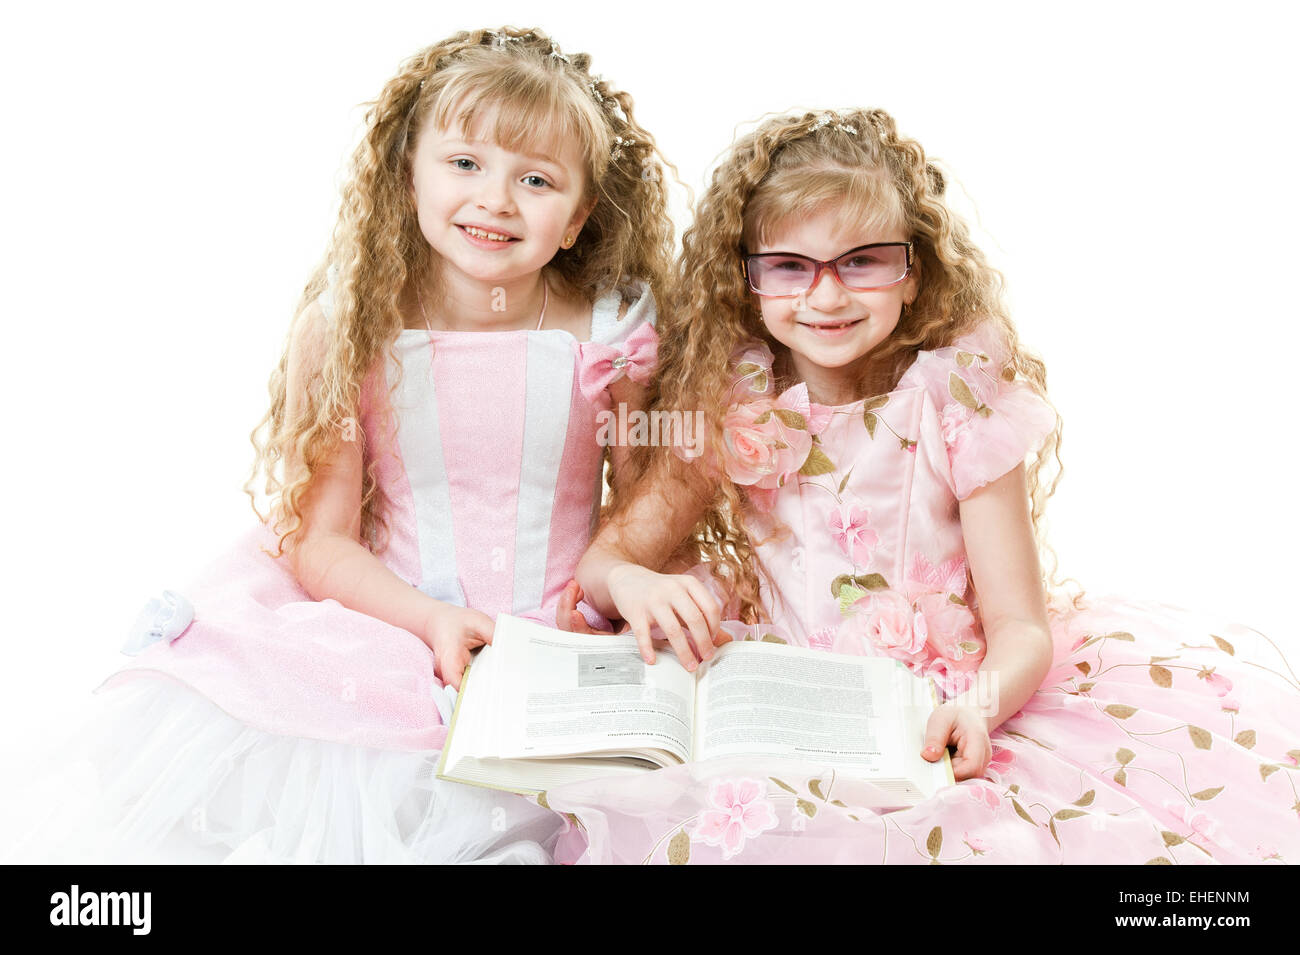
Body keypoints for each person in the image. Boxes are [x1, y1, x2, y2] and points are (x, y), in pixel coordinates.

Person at [547, 108, 1300, 864]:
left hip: (936, 710)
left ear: (914, 271)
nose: (827, 295)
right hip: (779, 713)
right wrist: (635, 583)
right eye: (789, 266)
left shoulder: (956, 399)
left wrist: (975, 706)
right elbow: (605, 565)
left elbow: (1021, 626)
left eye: (862, 260)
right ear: (747, 282)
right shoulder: (734, 399)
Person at [1, 26, 671, 865]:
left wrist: (617, 586)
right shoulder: (349, 328)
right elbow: (321, 542)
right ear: (409, 173)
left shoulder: (614, 330)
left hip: (562, 636)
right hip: (394, 625)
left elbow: (642, 512)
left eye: (534, 180)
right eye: (464, 163)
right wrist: (430, 620)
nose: (496, 199)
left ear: (575, 220)